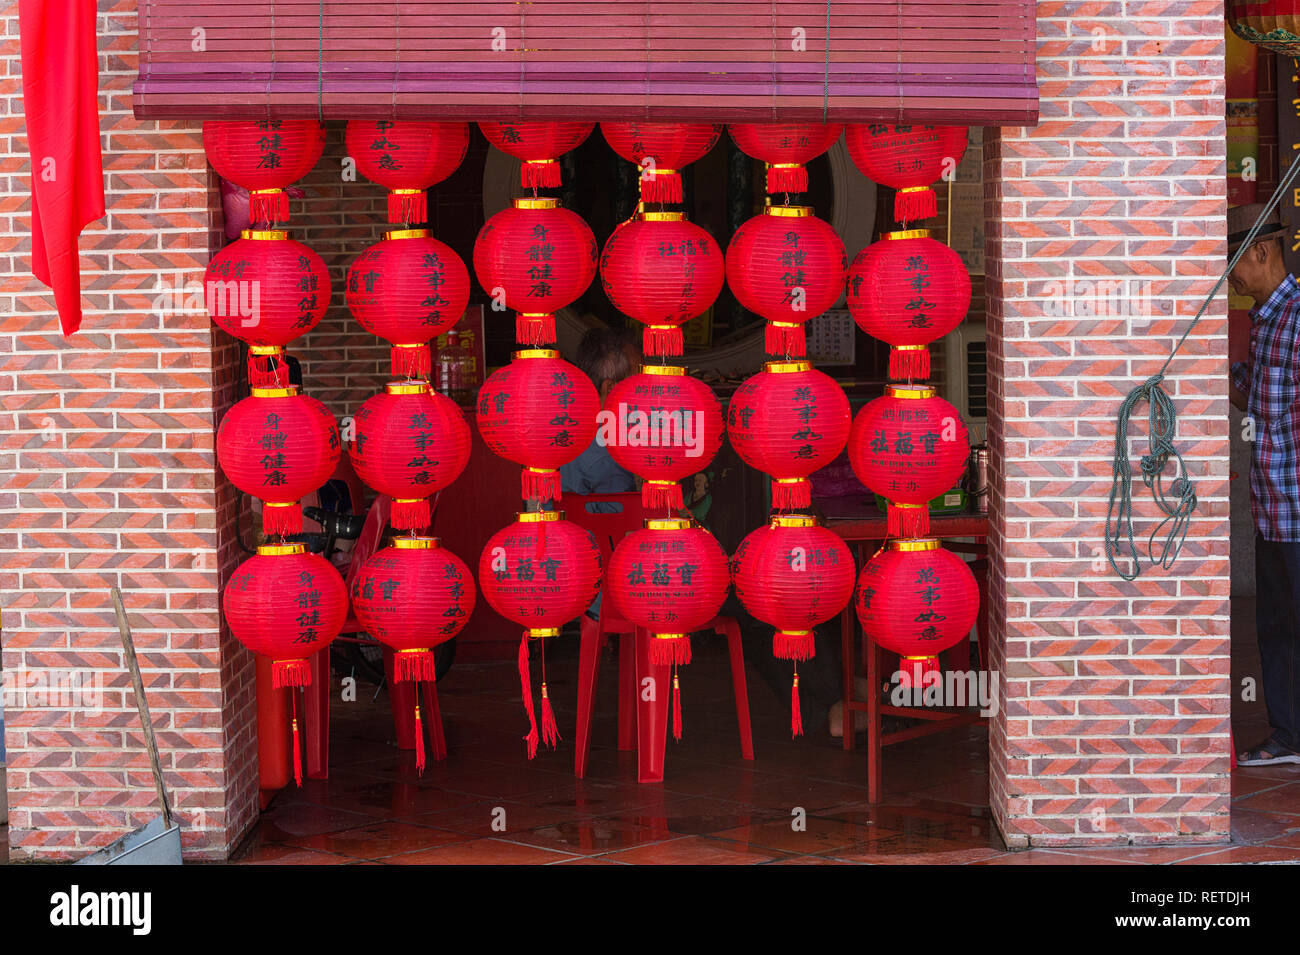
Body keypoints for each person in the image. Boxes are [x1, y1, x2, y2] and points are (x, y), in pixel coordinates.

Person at [1227, 202, 1300, 766]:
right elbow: (1253, 396)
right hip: (1271, 509)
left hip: (1298, 505)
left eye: (1234, 262)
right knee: (1276, 627)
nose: (1230, 277)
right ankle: (1286, 735)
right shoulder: (1264, 322)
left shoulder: (1298, 317)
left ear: (1261, 249)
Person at [561, 326, 640, 620]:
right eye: (638, 385)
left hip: (579, 586)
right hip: (627, 589)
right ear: (610, 390)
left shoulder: (565, 437)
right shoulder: (611, 450)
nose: (645, 393)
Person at [560, 326, 640, 506]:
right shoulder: (606, 452)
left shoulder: (569, 421)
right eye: (638, 382)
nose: (645, 389)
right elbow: (620, 521)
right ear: (611, 388)